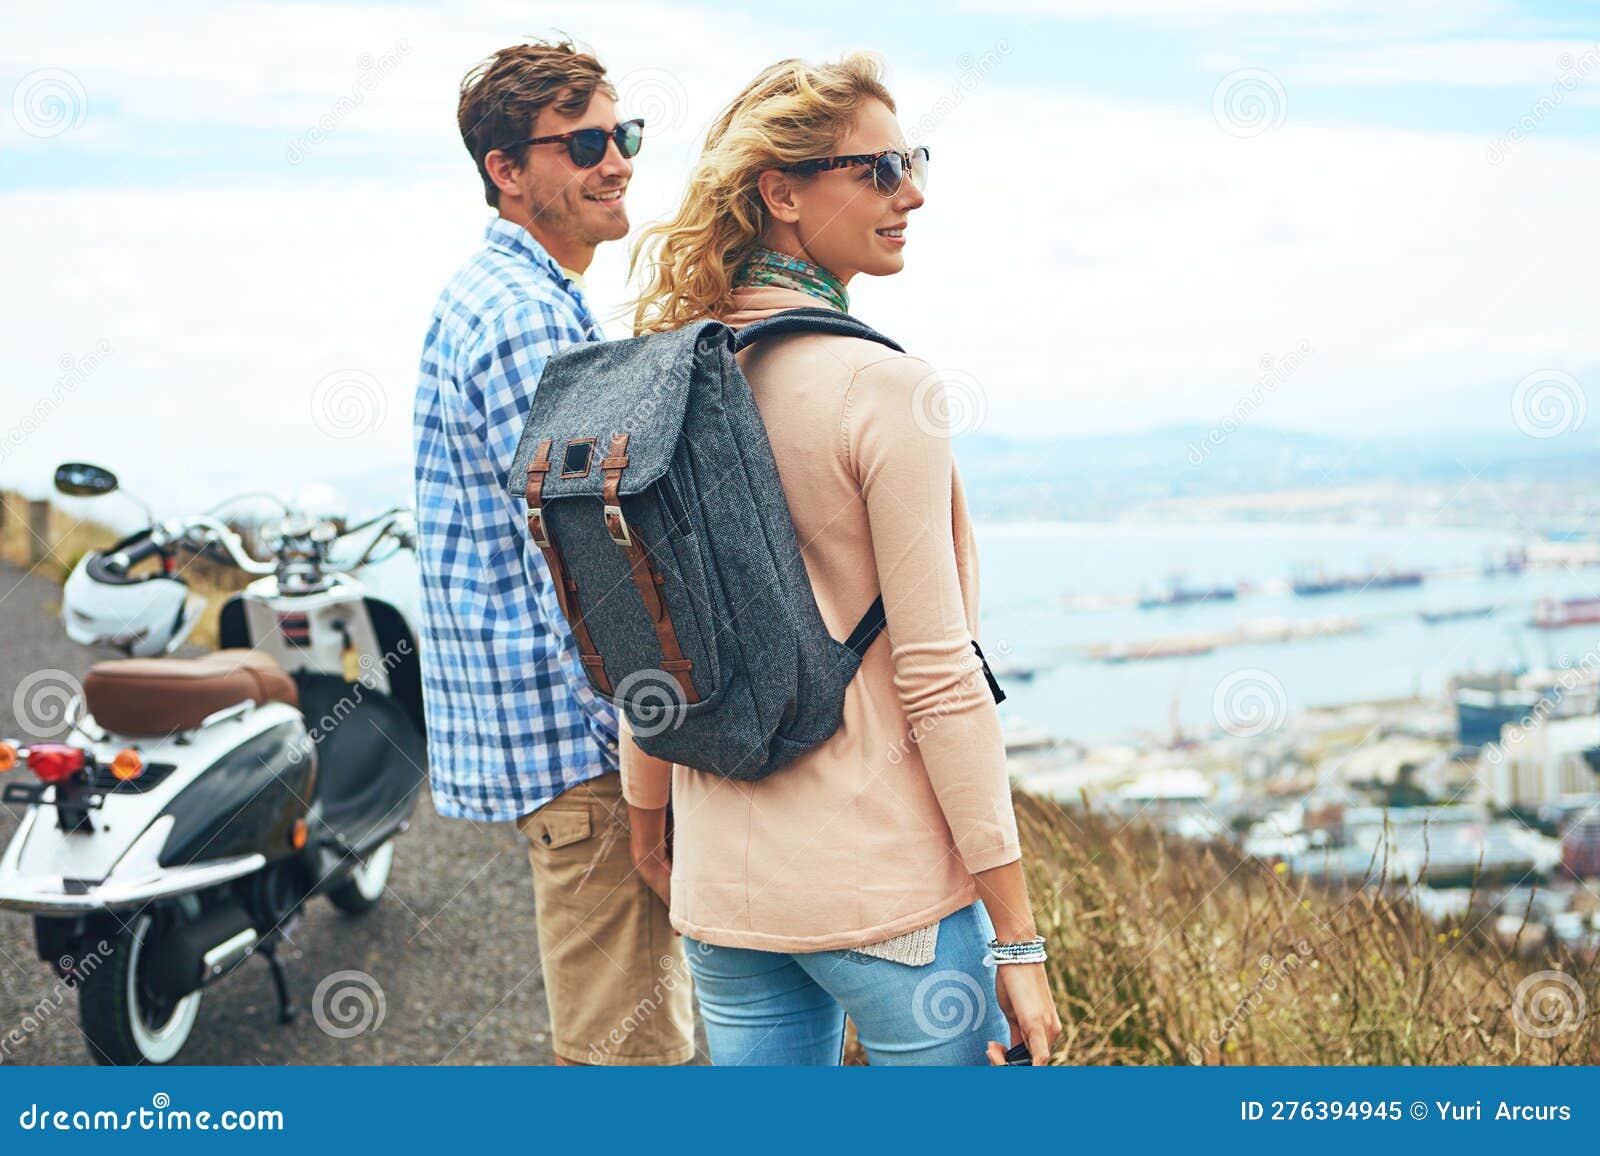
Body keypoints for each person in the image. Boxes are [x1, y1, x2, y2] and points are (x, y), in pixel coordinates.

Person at [620, 53, 1062, 1065]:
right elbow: (940, 675)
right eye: (880, 169)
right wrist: (1018, 937)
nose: (913, 192)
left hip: (725, 890)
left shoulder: (660, 378)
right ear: (781, 192)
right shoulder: (882, 387)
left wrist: (649, 825)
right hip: (883, 897)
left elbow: (645, 631)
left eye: (913, 160)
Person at [412, 39, 694, 1066]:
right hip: (585, 758)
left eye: (623, 135)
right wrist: (645, 744)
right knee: (627, 1056)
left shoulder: (517, 297)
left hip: (565, 748)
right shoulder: (525, 319)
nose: (616, 160)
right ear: (507, 169)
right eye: (584, 142)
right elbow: (577, 566)